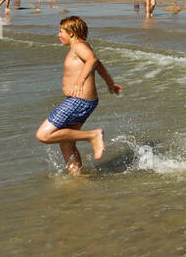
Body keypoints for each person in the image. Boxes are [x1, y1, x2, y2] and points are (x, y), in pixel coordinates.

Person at [34, 16, 121, 174]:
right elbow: (97, 63)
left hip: (78, 101)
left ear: (72, 33)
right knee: (66, 142)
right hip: (83, 101)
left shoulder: (78, 46)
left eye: (61, 31)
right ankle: (77, 177)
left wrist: (80, 81)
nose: (58, 35)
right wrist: (110, 83)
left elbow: (92, 60)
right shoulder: (82, 47)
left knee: (43, 135)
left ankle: (92, 136)